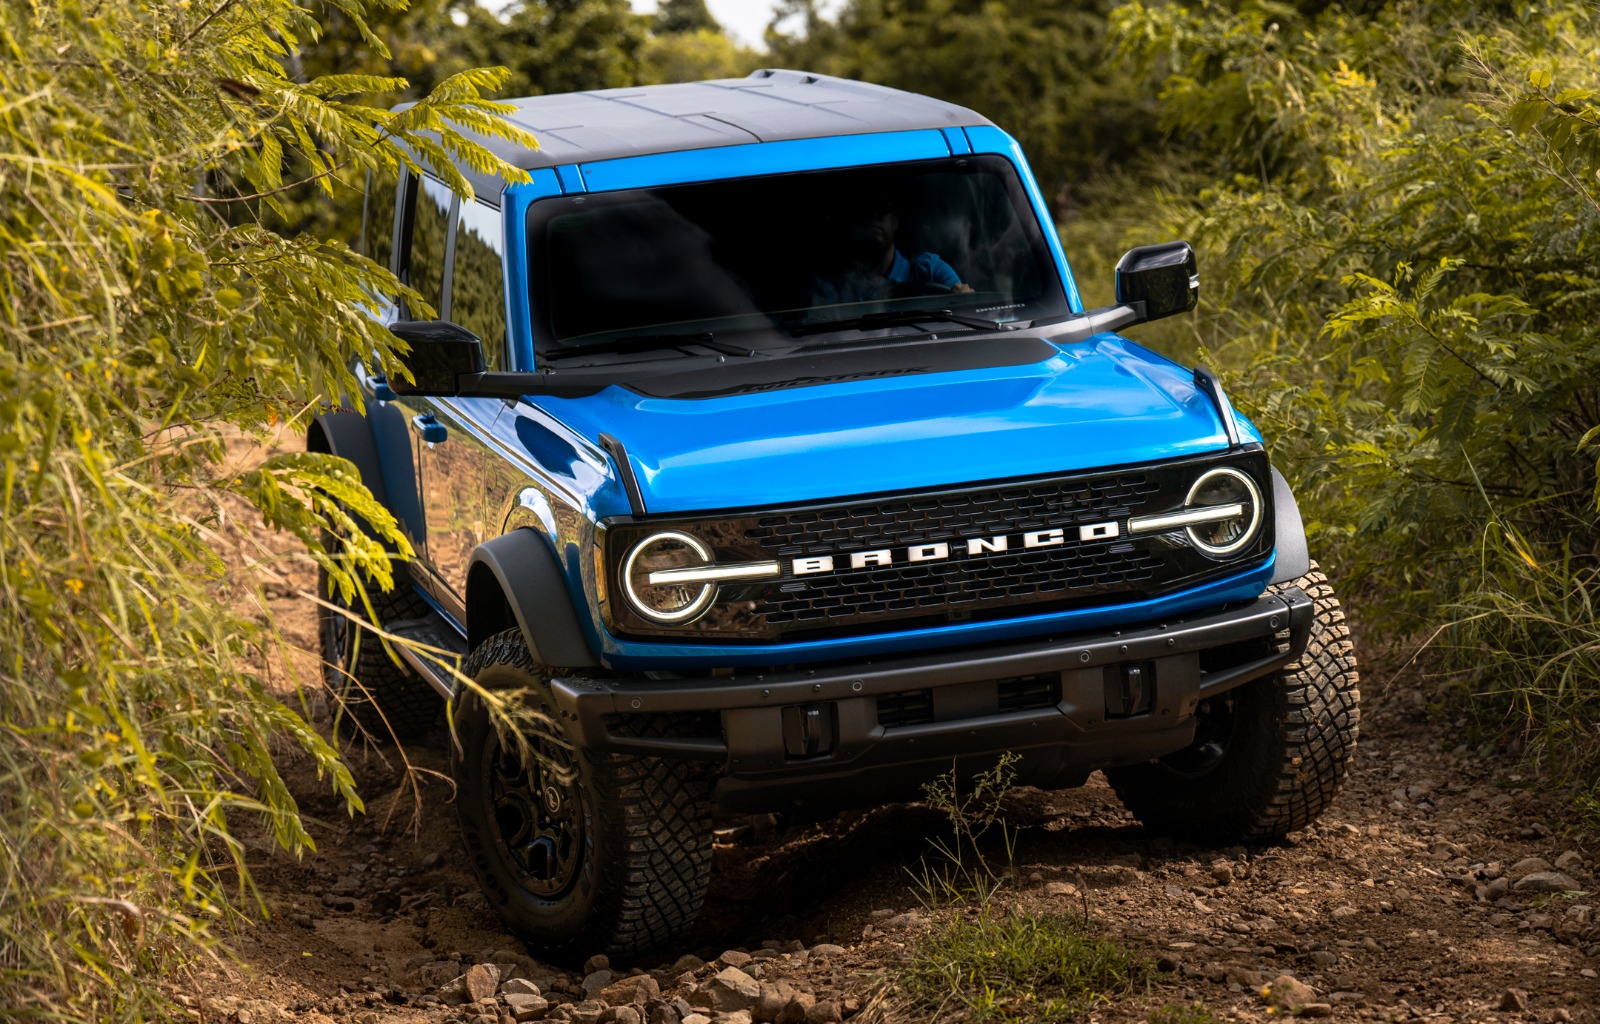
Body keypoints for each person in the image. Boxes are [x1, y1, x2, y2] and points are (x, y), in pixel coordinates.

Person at [809, 198, 973, 306]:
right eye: (867, 207)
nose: (874, 215)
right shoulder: (836, 284)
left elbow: (963, 306)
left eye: (883, 206)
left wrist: (963, 297)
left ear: (896, 220)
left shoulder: (928, 269)